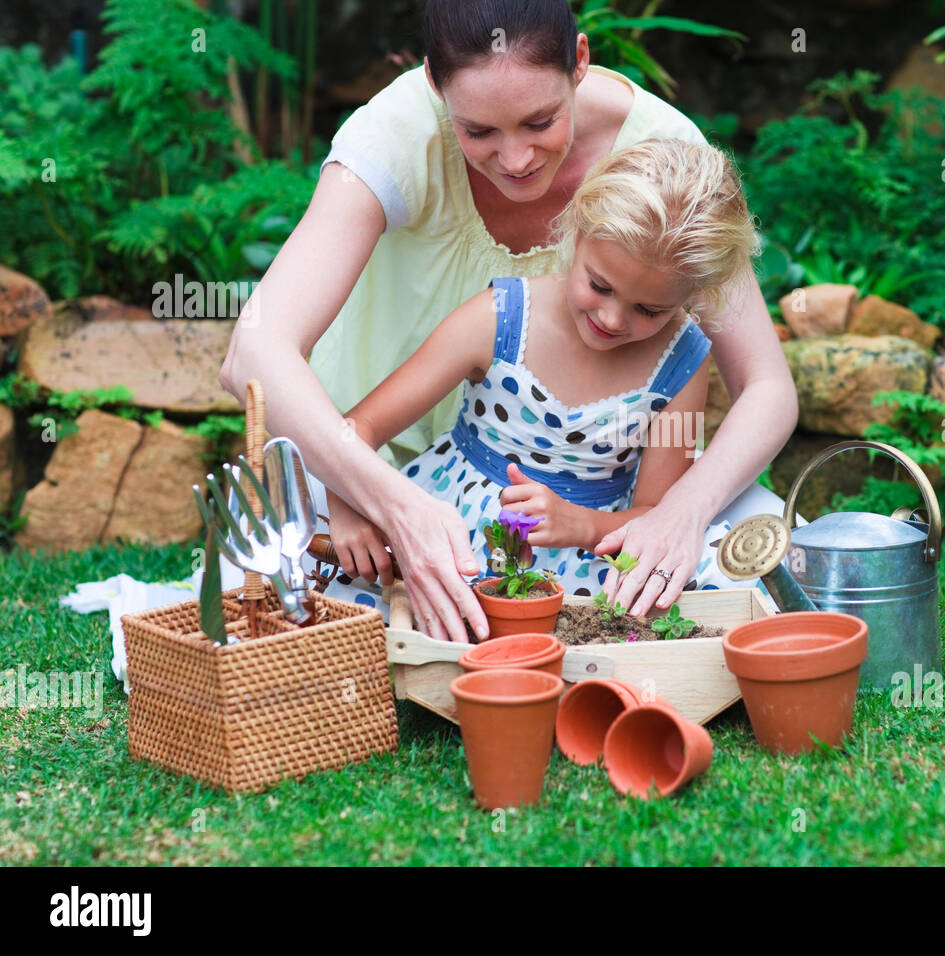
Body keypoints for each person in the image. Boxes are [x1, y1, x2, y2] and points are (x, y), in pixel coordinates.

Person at [219, 0, 797, 641]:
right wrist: (374, 495)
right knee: (276, 578)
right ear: (435, 87)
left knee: (755, 543)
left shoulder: (666, 171)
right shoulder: (396, 134)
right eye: (479, 133)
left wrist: (680, 513)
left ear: (580, 61)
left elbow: (767, 387)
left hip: (594, 500)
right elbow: (253, 351)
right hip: (370, 462)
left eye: (540, 121)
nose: (516, 159)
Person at [327, 139, 760, 608]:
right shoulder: (503, 317)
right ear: (578, 236)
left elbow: (657, 515)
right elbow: (357, 429)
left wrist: (582, 525)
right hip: (458, 530)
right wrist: (345, 508)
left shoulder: (681, 364)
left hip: (589, 555)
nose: (613, 319)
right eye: (599, 285)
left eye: (649, 309)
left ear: (692, 294)